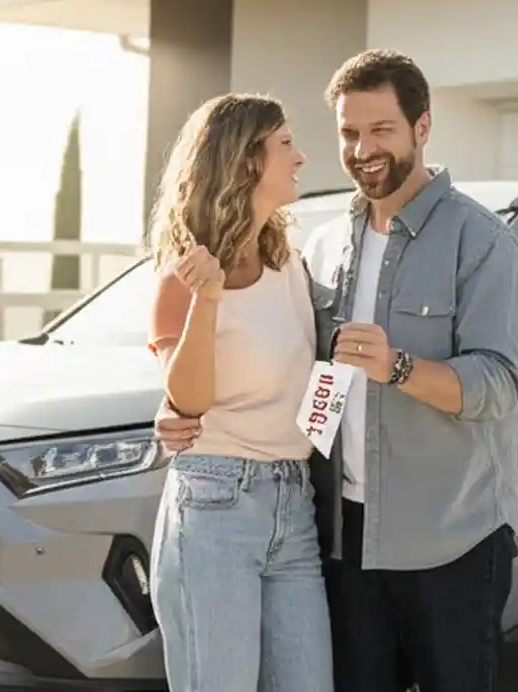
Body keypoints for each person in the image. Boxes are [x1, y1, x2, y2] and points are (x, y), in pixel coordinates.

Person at [154, 50, 518, 692]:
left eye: (380, 129)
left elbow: (498, 385)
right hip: (338, 537)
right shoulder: (320, 249)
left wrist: (400, 366)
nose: (361, 149)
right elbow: (301, 375)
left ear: (422, 126)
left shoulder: (482, 241)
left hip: (450, 539)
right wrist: (186, 413)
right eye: (348, 133)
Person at [145, 92, 334, 691]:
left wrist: (351, 370)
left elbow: (308, 395)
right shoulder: (183, 276)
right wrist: (209, 297)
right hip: (215, 507)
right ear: (246, 159)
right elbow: (189, 402)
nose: (301, 157)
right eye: (285, 144)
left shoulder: (290, 264)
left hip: (293, 503)